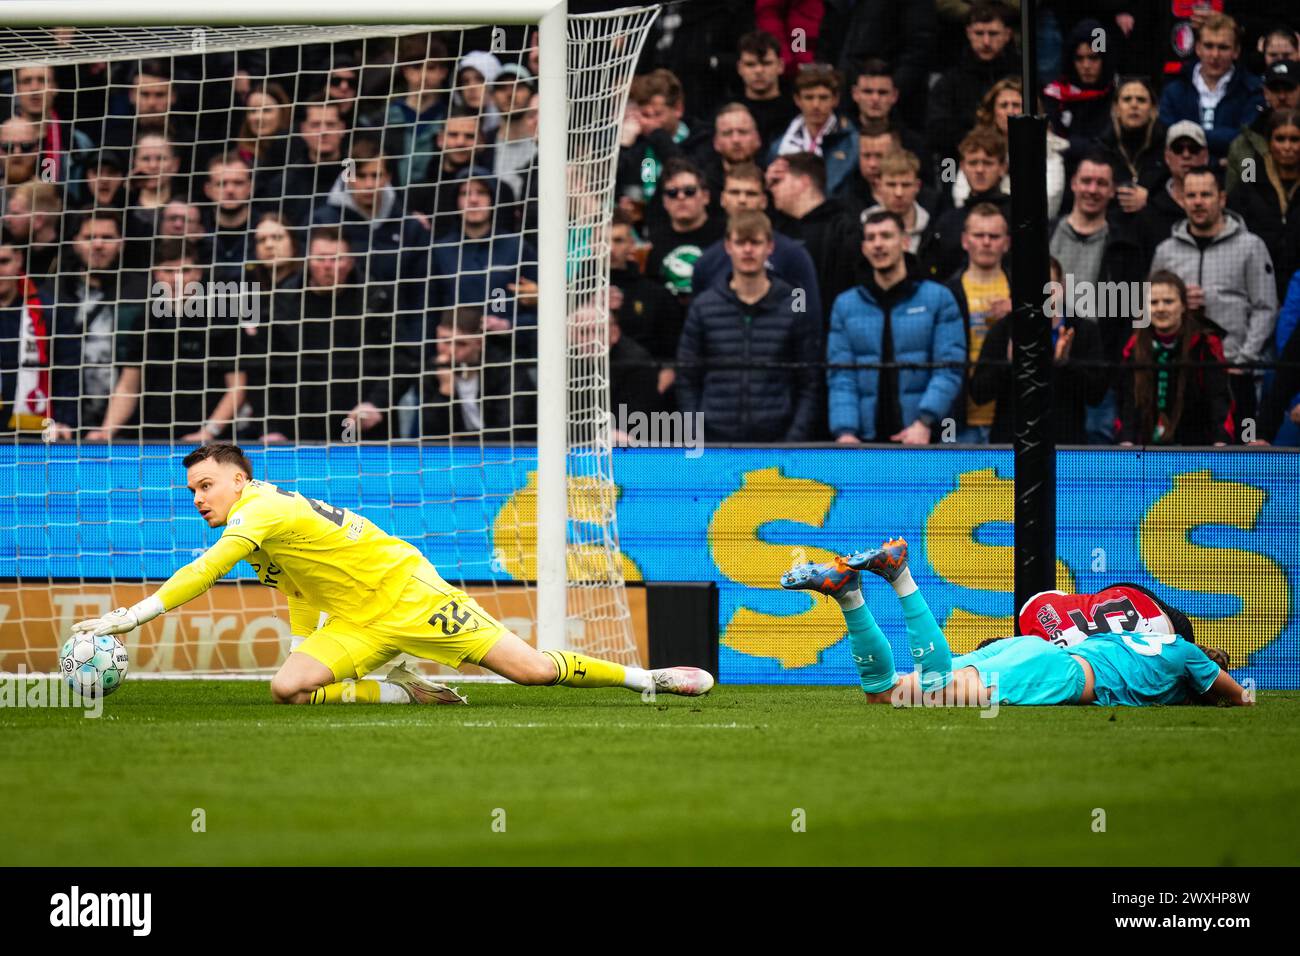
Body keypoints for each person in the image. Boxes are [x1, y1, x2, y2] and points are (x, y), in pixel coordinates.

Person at [71, 442, 714, 704]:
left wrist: (130, 617)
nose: (198, 498)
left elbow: (205, 572)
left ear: (240, 480)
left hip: (407, 593)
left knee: (536, 673)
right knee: (287, 687)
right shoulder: (256, 527)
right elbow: (296, 587)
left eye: (206, 484)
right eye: (192, 491)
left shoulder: (261, 507)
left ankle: (646, 677)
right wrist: (305, 646)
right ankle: (404, 685)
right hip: (355, 620)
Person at [779, 537, 1249, 707]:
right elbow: (1240, 698)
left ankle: (847, 593)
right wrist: (1228, 690)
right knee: (934, 687)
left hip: (1032, 650)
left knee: (888, 690)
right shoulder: (1186, 657)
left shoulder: (1138, 637)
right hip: (1057, 676)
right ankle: (899, 574)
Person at [1150, 165, 1278, 437]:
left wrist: (1243, 359)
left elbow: (1265, 308)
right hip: (1180, 373)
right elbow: (1148, 307)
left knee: (1235, 458)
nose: (1198, 202)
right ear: (1182, 200)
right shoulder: (1165, 250)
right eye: (1191, 195)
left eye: (1205, 195)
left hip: (1233, 370)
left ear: (1221, 198)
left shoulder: (1250, 246)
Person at [675, 209, 821, 442]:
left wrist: (794, 439)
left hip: (778, 441)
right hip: (715, 442)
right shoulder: (704, 305)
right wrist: (696, 434)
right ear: (728, 246)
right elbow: (686, 379)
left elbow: (809, 380)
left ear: (769, 247)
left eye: (755, 242)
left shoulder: (794, 303)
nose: (748, 250)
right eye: (741, 242)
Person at [827, 210, 965, 445]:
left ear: (905, 241)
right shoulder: (846, 304)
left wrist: (924, 422)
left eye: (886, 236)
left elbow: (949, 367)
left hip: (923, 438)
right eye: (871, 238)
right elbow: (841, 375)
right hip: (864, 441)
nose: (878, 244)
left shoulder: (938, 298)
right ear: (863, 248)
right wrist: (845, 431)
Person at [1049, 151, 1145, 442]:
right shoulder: (1045, 233)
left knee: (1096, 441)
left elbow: (1133, 313)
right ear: (1073, 184)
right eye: (1086, 181)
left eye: (1101, 183)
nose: (1092, 189)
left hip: (1099, 366)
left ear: (1113, 190)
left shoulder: (1125, 244)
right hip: (1044, 364)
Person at [969, 254, 1105, 444]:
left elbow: (1096, 395)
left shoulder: (1083, 330)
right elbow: (979, 394)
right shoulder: (1004, 329)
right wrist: (1007, 365)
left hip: (1066, 445)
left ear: (1062, 286)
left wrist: (1066, 365)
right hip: (1012, 444)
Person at [692, 161, 821, 324]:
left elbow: (804, 312)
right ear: (723, 199)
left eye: (751, 193)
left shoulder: (792, 256)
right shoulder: (707, 262)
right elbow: (699, 322)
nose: (742, 200)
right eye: (734, 192)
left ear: (764, 201)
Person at [1116, 269, 1234, 446]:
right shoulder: (1134, 345)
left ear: (1183, 306)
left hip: (1197, 449)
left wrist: (1221, 440)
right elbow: (1129, 400)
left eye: (1168, 301)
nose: (1161, 308)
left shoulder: (1205, 343)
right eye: (1154, 302)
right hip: (1146, 449)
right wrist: (1126, 439)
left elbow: (1218, 399)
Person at [1157, 13, 1265, 163]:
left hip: (1235, 172)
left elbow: (1246, 140)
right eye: (1208, 46)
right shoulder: (1175, 89)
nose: (1215, 55)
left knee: (1250, 173)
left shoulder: (1253, 90)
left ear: (1236, 51)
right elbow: (1169, 136)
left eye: (1223, 47)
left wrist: (1192, 134)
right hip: (1184, 174)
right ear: (1197, 48)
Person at [946, 202, 1012, 442]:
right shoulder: (948, 293)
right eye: (979, 235)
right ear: (965, 240)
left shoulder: (1023, 292)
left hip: (1008, 414)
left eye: (994, 236)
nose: (986, 242)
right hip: (960, 415)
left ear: (1007, 242)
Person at [926, 2, 1020, 162]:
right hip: (956, 158)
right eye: (979, 33)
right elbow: (937, 131)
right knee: (946, 168)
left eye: (993, 33)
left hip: (1016, 157)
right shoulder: (950, 81)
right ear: (968, 33)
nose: (986, 42)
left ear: (1007, 35)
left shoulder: (1022, 76)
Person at [1226, 108, 1300, 300]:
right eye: (1280, 139)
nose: (1287, 147)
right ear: (1269, 143)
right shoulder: (1250, 179)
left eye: (1294, 140)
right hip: (1255, 286)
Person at [767, 64, 859, 197]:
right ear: (797, 100)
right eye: (809, 97)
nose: (816, 105)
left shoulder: (853, 143)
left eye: (823, 98)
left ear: (835, 100)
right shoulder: (779, 146)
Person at [643, 158, 724, 302]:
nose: (681, 197)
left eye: (689, 191)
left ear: (705, 196)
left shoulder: (725, 234)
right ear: (665, 201)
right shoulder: (655, 241)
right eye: (672, 193)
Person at [1134, 120, 1211, 266]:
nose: (1186, 155)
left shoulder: (1223, 209)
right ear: (1167, 157)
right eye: (1178, 149)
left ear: (1205, 155)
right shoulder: (1150, 214)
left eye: (1193, 149)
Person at [1042, 18, 1117, 154]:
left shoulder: (1118, 94)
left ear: (1104, 60)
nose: (1086, 66)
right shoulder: (1056, 96)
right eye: (1079, 58)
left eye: (1093, 58)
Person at [1226, 60, 1300, 195]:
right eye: (1275, 90)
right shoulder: (1246, 144)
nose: (1282, 96)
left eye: (1288, 89)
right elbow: (1236, 199)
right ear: (1265, 92)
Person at [0, 240, 49, 436]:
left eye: (3, 261)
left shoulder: (47, 309)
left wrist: (65, 421)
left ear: (19, 259)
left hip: (32, 432)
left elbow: (66, 368)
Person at [733, 31, 796, 153]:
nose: (759, 70)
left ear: (780, 66)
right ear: (740, 68)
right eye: (750, 64)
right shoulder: (726, 113)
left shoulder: (797, 111)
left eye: (766, 63)